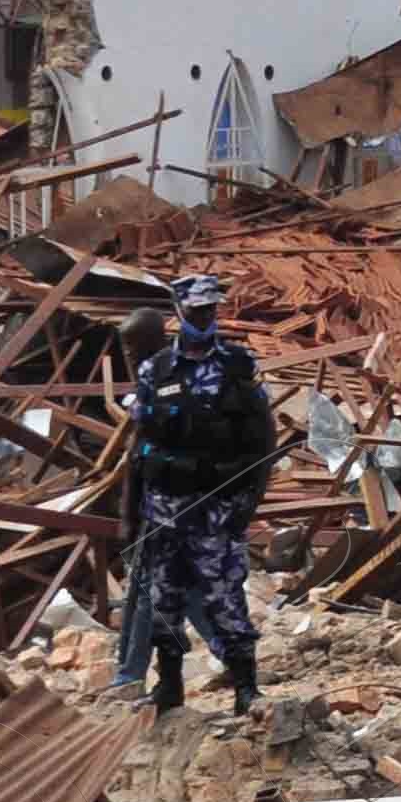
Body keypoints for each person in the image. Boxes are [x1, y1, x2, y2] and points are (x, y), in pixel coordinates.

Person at [128, 275, 275, 717]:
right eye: (196, 311)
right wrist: (130, 516)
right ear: (179, 312)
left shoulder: (237, 364)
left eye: (210, 309)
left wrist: (251, 499)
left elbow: (264, 436)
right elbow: (139, 444)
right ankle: (169, 684)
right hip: (166, 507)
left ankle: (246, 687)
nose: (205, 317)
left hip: (218, 507)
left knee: (226, 598)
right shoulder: (156, 370)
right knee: (163, 601)